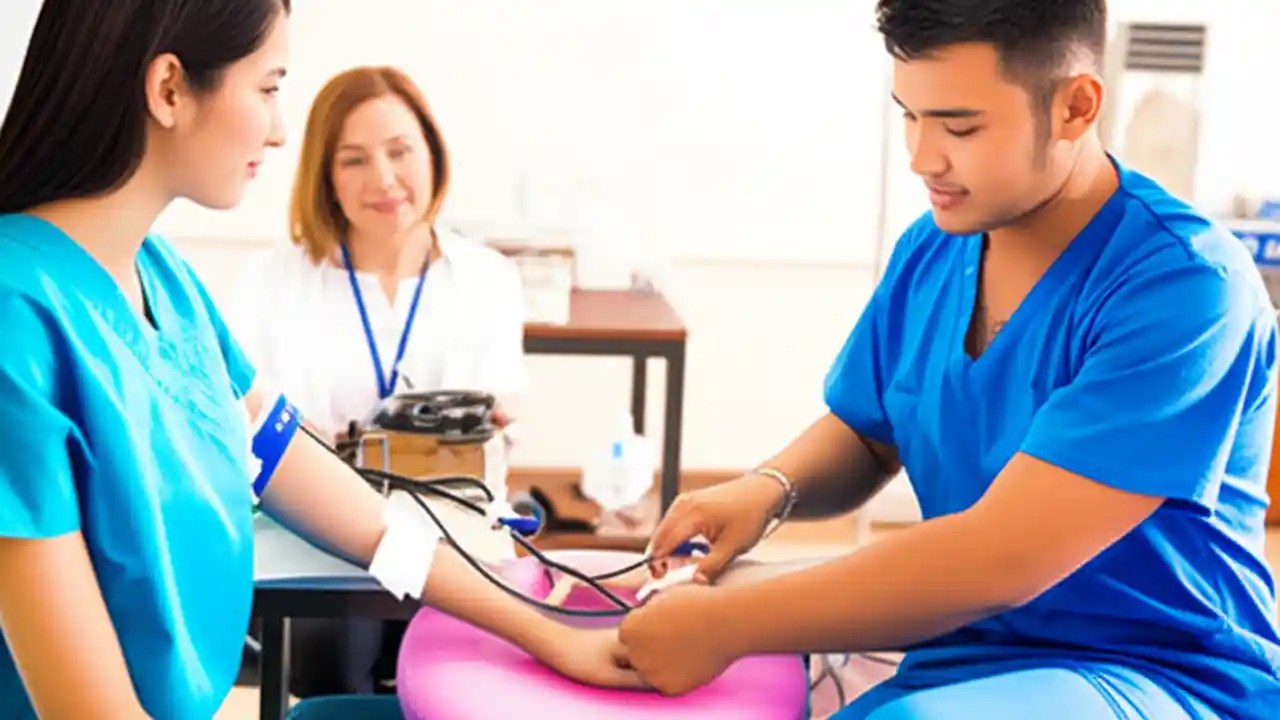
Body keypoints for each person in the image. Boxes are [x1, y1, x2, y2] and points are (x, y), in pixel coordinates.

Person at [618, 1, 1280, 718]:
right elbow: (871, 433)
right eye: (910, 116)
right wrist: (770, 489)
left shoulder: (1185, 287)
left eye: (959, 127)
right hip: (962, 649)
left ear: (1075, 107)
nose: (921, 157)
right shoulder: (934, 247)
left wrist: (726, 625)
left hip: (1155, 673)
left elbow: (1002, 558)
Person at [0, 2, 638, 718]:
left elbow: (354, 514)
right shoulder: (16, 322)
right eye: (268, 88)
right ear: (170, 89)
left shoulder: (162, 281)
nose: (278, 131)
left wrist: (542, 627)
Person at [228, 65, 528, 698]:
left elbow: (500, 421)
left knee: (448, 671)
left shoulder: (487, 278)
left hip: (451, 531)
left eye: (400, 152)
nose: (385, 180)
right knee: (336, 664)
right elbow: (254, 431)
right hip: (318, 537)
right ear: (326, 176)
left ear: (432, 153)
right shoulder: (274, 281)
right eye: (355, 160)